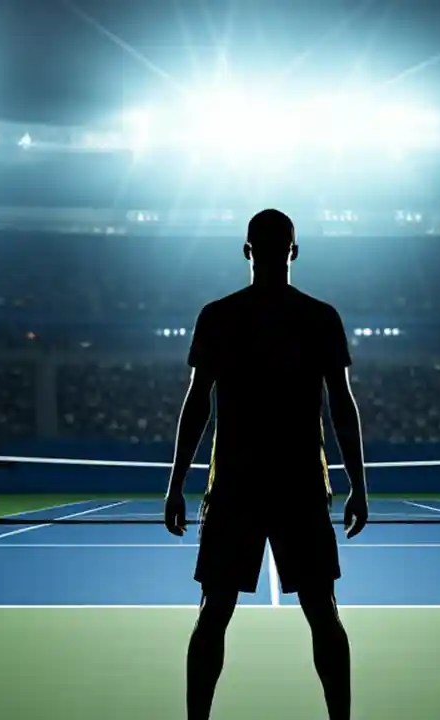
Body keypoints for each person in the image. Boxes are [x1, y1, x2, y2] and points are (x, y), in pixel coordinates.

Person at [165, 208, 369, 720]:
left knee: (214, 612)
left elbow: (196, 404)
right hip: (300, 485)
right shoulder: (320, 317)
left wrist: (175, 485)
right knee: (323, 611)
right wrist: (359, 485)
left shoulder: (219, 316)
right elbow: (342, 407)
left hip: (236, 485)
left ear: (247, 250)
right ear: (294, 251)